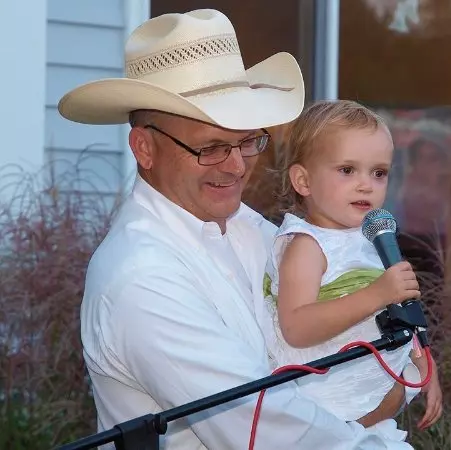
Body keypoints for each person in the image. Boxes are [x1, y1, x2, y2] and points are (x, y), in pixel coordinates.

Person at [59, 9, 421, 449]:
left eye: (248, 141)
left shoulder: (248, 227)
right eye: (210, 147)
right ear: (144, 148)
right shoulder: (140, 277)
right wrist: (392, 400)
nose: (236, 167)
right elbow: (264, 430)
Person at [262, 100, 442, 440]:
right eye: (347, 170)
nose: (366, 185)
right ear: (303, 180)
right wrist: (377, 293)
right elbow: (296, 327)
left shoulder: (370, 238)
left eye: (378, 173)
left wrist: (422, 361)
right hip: (327, 406)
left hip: (370, 403)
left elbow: (399, 309)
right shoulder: (307, 245)